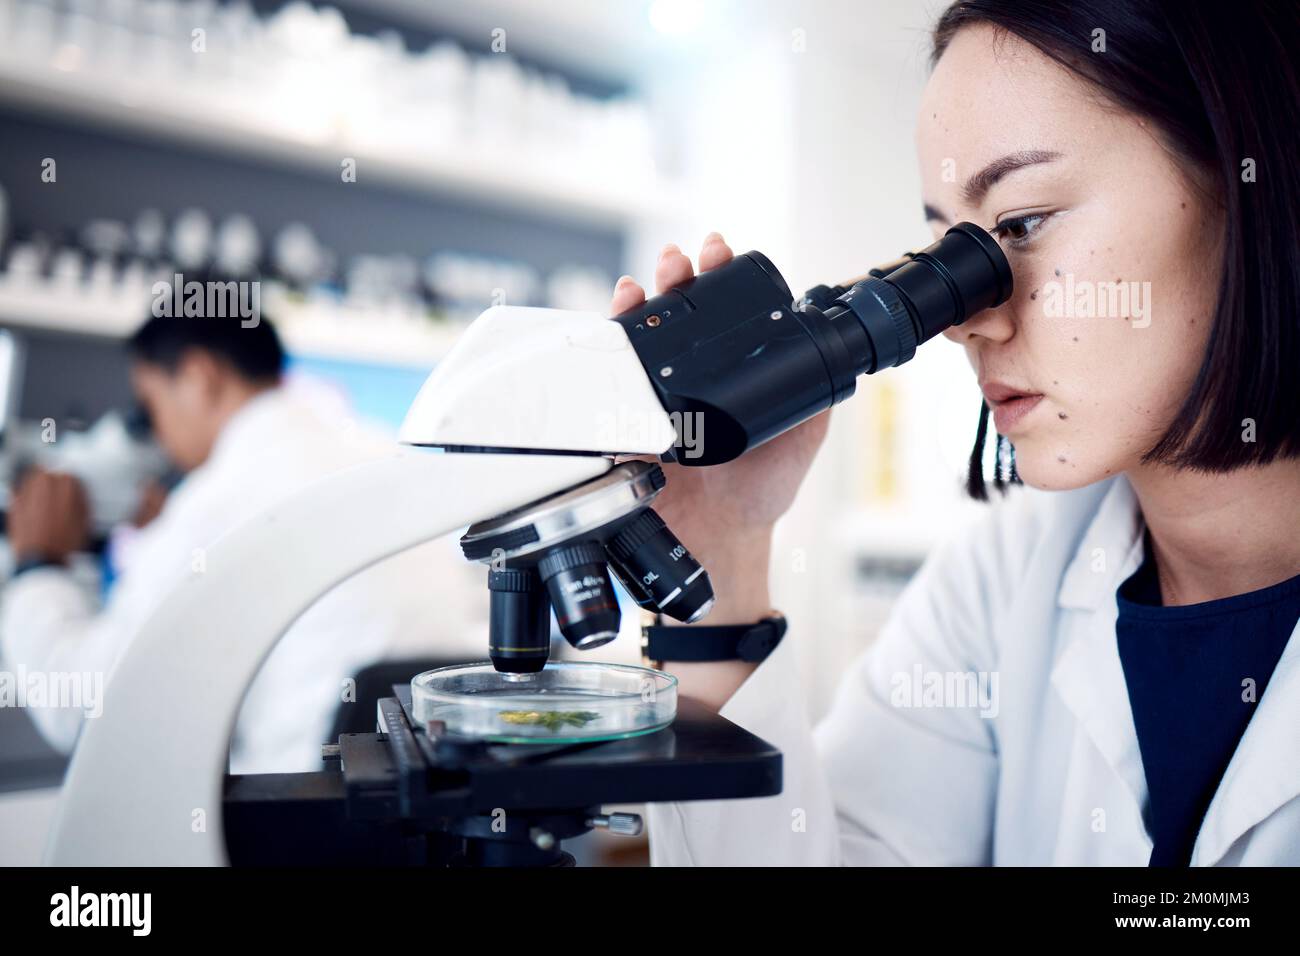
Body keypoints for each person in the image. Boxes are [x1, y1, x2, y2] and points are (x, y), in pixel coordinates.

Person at [616, 0, 1300, 865]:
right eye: (948, 252)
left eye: (1019, 224)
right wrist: (723, 566)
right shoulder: (1002, 584)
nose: (965, 318)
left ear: (1248, 182)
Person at [2, 306, 485, 773]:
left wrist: (37, 564)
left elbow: (92, 710)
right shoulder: (376, 452)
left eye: (150, 408)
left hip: (295, 824)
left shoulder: (219, 498)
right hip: (416, 814)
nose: (160, 439)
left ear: (198, 375)